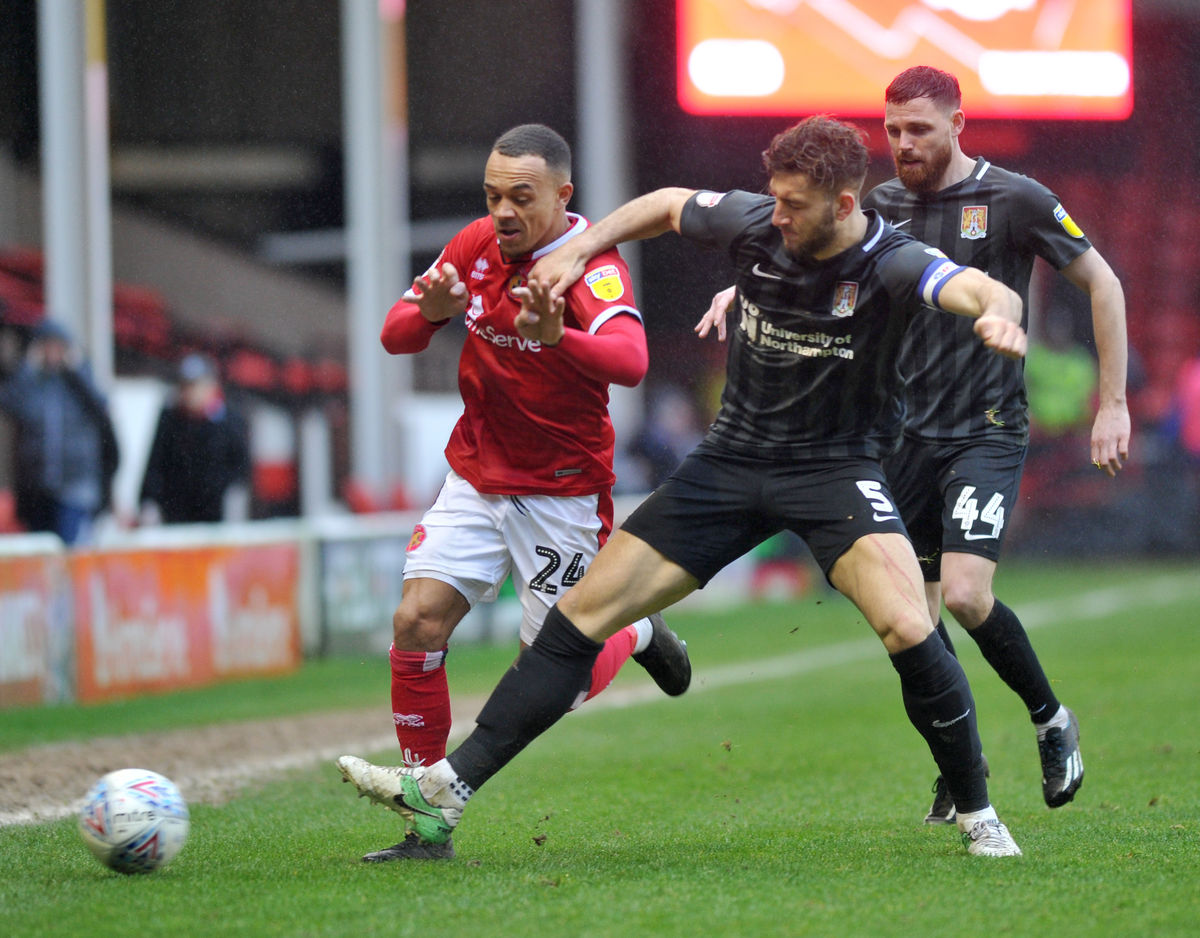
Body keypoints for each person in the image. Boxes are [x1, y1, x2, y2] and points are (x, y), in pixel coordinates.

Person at [338, 115, 1030, 858]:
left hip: (835, 471)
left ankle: (978, 812)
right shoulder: (757, 219)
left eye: (795, 204)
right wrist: (580, 245)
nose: (778, 214)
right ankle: (451, 789)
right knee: (577, 621)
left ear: (844, 203)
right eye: (775, 198)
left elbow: (978, 289)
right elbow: (666, 203)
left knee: (909, 630)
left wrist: (999, 315)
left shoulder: (891, 259)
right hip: (729, 463)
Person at [353, 123, 691, 862]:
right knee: (416, 622)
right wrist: (434, 312)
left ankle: (634, 631)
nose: (503, 211)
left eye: (521, 197)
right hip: (476, 475)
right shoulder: (474, 246)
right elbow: (395, 334)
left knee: (557, 679)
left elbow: (630, 362)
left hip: (560, 492)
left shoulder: (590, 267)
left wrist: (556, 336)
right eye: (493, 194)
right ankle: (427, 819)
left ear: (563, 197)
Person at [0, 318, 118, 545]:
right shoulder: (32, 383)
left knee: (70, 548)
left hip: (75, 486)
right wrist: (27, 367)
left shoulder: (80, 381)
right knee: (40, 550)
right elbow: (10, 403)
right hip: (37, 488)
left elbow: (100, 408)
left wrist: (75, 370)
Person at [138, 353, 251, 525]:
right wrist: (149, 502)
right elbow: (155, 467)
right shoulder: (169, 420)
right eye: (186, 386)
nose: (190, 393)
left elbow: (240, 469)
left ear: (211, 386)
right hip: (177, 518)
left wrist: (234, 503)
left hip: (216, 518)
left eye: (195, 386)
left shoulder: (229, 421)